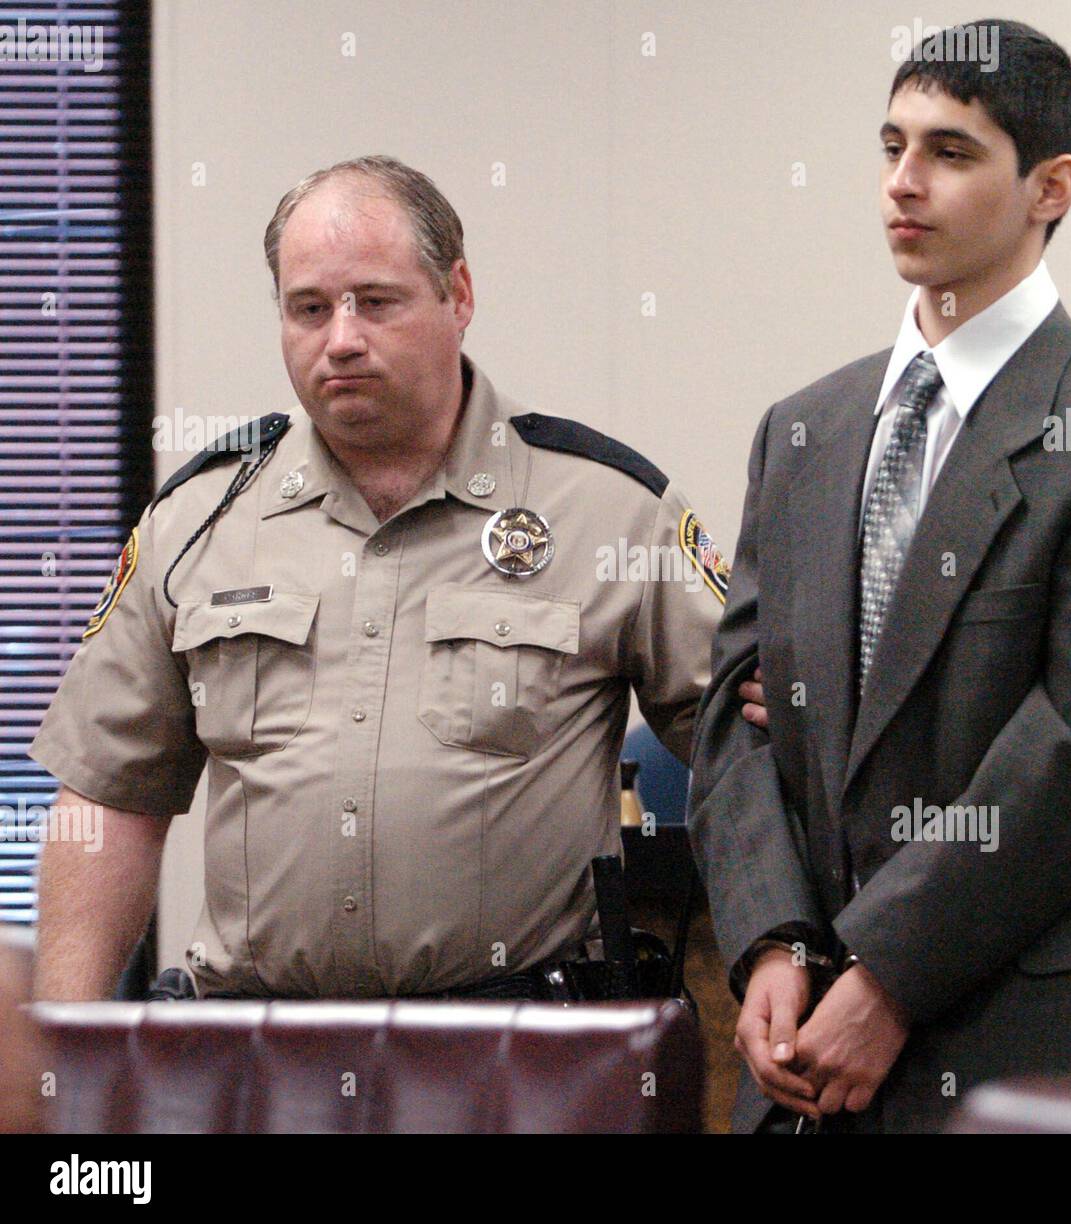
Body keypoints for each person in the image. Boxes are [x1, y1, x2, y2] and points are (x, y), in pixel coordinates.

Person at [30, 155, 742, 1002]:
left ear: (458, 295)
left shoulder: (608, 509)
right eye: (309, 308)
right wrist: (62, 1046)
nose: (341, 338)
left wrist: (784, 952)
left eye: (375, 301)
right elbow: (109, 799)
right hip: (255, 1048)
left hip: (518, 1047)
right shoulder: (198, 522)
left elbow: (752, 752)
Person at [688, 20, 1071, 1133]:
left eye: (950, 151)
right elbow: (735, 716)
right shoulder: (803, 430)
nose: (903, 181)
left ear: (1051, 187)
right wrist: (773, 940)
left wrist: (885, 975)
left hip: (1019, 1046)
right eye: (892, 146)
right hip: (799, 1043)